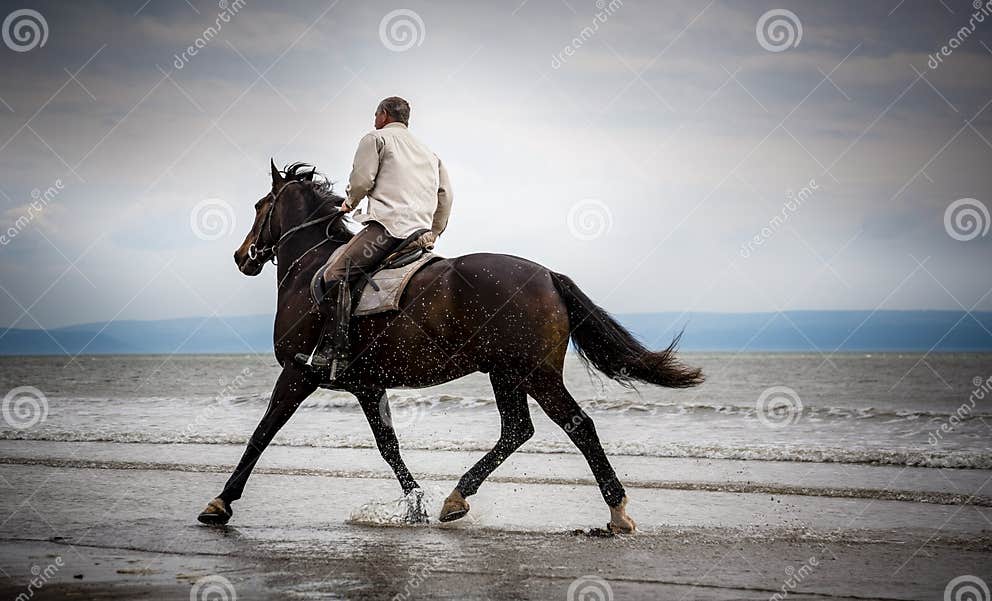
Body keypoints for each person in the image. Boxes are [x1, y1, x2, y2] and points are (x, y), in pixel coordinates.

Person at [297, 96, 453, 373]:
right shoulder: (430, 153)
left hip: (387, 230)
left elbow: (363, 179)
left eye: (375, 114)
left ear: (383, 115)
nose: (374, 120)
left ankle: (335, 349)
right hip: (418, 235)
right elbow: (445, 196)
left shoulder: (375, 139)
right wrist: (434, 232)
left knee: (333, 276)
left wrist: (349, 202)